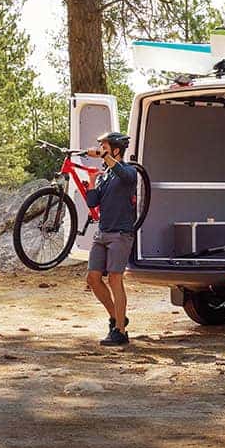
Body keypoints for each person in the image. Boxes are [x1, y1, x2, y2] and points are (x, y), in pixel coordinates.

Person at [84, 131, 138, 346]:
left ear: (116, 150)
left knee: (115, 279)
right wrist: (90, 180)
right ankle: (116, 317)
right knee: (93, 279)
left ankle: (120, 333)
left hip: (120, 234)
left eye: (105, 147)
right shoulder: (106, 175)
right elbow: (93, 202)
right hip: (102, 233)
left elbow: (126, 177)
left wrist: (104, 157)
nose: (101, 150)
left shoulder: (129, 171)